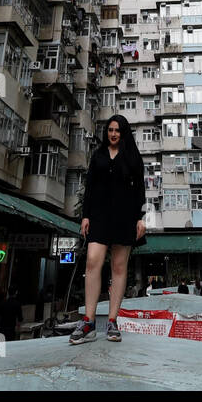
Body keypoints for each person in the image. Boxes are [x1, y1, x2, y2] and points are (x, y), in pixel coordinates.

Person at [70, 114, 146, 344]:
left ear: (124, 133)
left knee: (119, 267)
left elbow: (140, 189)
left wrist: (140, 218)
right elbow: (90, 186)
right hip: (100, 215)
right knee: (93, 260)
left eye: (117, 130)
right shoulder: (99, 155)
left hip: (125, 216)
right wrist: (85, 216)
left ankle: (112, 321)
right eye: (110, 130)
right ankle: (89, 322)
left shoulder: (132, 156)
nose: (113, 134)